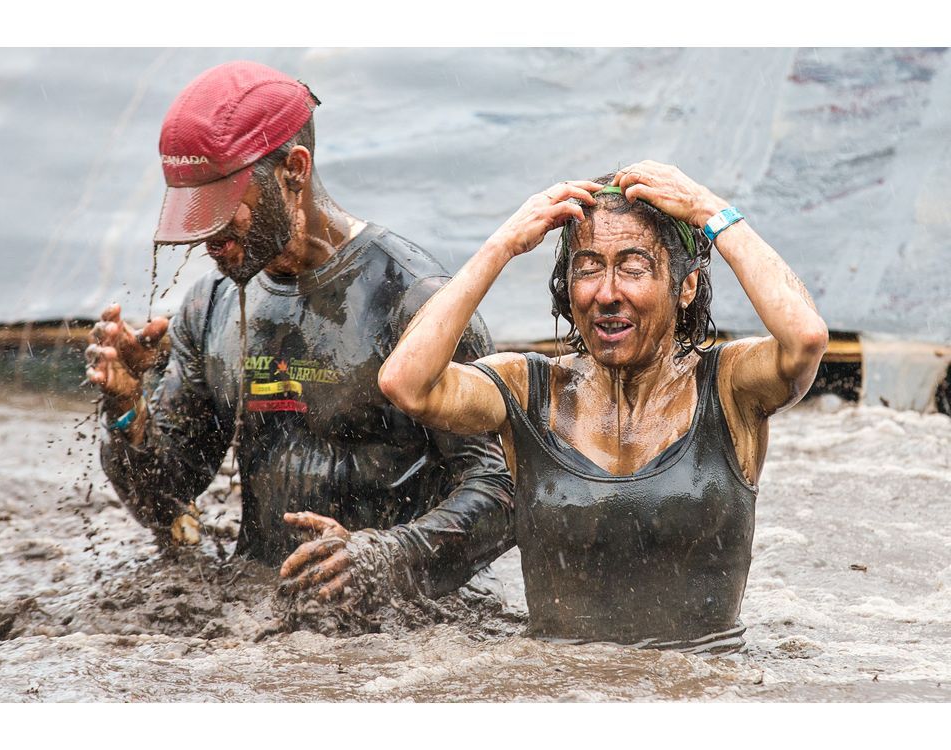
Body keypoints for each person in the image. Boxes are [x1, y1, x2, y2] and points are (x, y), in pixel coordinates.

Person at [84, 61, 514, 603]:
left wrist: (386, 557)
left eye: (223, 208)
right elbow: (164, 498)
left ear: (294, 169)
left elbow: (503, 491)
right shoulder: (211, 306)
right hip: (257, 605)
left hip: (402, 619)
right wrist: (128, 409)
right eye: (196, 212)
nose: (207, 237)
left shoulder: (417, 304)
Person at [378, 161, 829, 651]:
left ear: (687, 287)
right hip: (560, 681)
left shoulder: (729, 386)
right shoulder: (527, 389)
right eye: (588, 268)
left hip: (704, 679)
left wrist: (709, 210)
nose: (607, 293)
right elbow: (407, 383)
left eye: (634, 268)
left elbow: (805, 338)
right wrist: (502, 245)